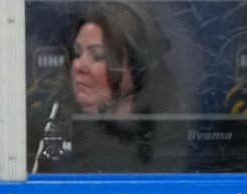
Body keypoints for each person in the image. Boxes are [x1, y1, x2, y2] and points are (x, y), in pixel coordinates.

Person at [34, 2, 184, 173]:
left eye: (98, 56)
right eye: (76, 53)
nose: (78, 65)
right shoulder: (53, 120)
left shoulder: (175, 129)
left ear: (137, 65)